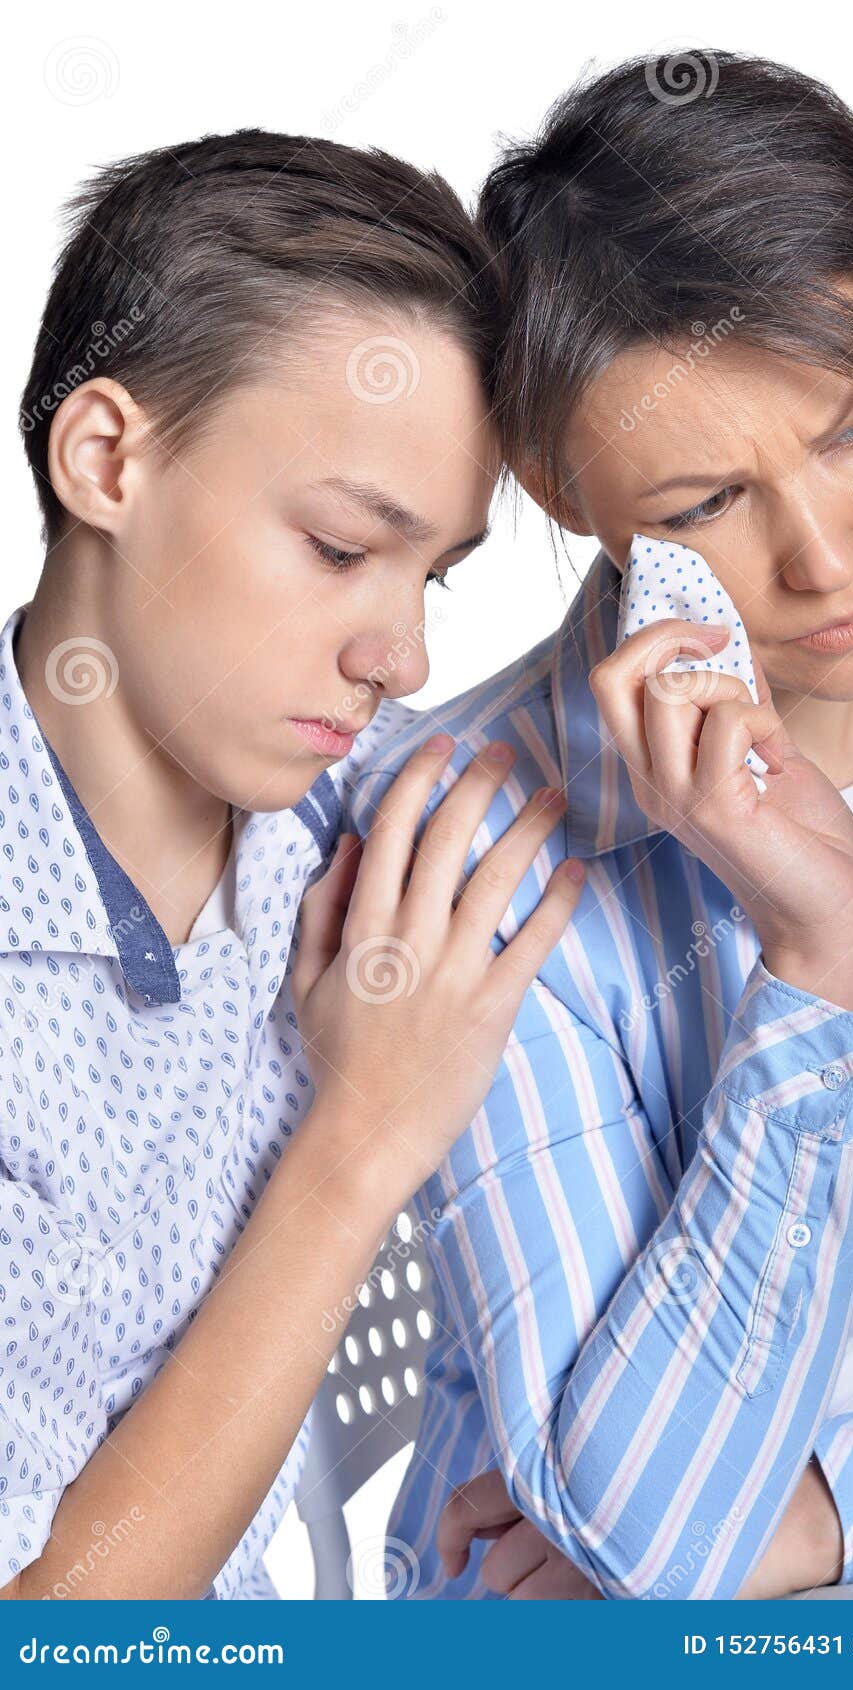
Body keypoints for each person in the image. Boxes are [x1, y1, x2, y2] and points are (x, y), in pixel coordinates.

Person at [346, 51, 853, 1600]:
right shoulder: (473, 834)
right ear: (554, 484)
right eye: (699, 506)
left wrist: (827, 1506)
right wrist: (813, 953)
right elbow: (655, 1545)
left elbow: (705, 1535)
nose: (823, 557)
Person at [0, 129, 586, 1600]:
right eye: (338, 548)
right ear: (108, 458)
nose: (402, 654)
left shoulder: (339, 801)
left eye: (433, 573)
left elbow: (637, 754)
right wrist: (360, 1142)